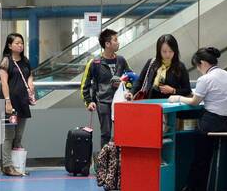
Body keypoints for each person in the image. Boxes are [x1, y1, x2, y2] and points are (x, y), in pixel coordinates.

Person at [170, 47, 227, 191]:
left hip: (209, 125)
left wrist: (178, 97)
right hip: (226, 124)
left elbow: (195, 101)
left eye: (198, 66)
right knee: (203, 157)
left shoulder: (205, 79)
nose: (199, 70)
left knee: (199, 158)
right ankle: (199, 190)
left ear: (203, 63)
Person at [81, 28, 130, 159]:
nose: (118, 42)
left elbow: (131, 78)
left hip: (120, 103)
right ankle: (105, 163)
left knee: (122, 133)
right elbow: (84, 85)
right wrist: (89, 101)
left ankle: (120, 161)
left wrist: (124, 85)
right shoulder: (95, 62)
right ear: (107, 44)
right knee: (106, 134)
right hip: (103, 102)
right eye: (115, 40)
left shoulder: (121, 60)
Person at [0, 32, 36, 177]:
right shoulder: (6, 61)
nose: (20, 45)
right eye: (17, 43)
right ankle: (7, 166)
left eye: (22, 43)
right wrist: (7, 101)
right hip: (10, 104)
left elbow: (30, 74)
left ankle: (17, 165)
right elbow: (4, 83)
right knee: (9, 135)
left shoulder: (25, 61)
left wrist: (31, 83)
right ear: (9, 45)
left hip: (22, 103)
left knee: (18, 135)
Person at [134, 33, 192, 101]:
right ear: (159, 51)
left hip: (171, 105)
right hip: (151, 103)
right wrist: (131, 93)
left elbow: (187, 90)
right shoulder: (152, 63)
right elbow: (140, 81)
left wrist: (173, 90)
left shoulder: (180, 66)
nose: (168, 54)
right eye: (164, 51)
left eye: (171, 51)